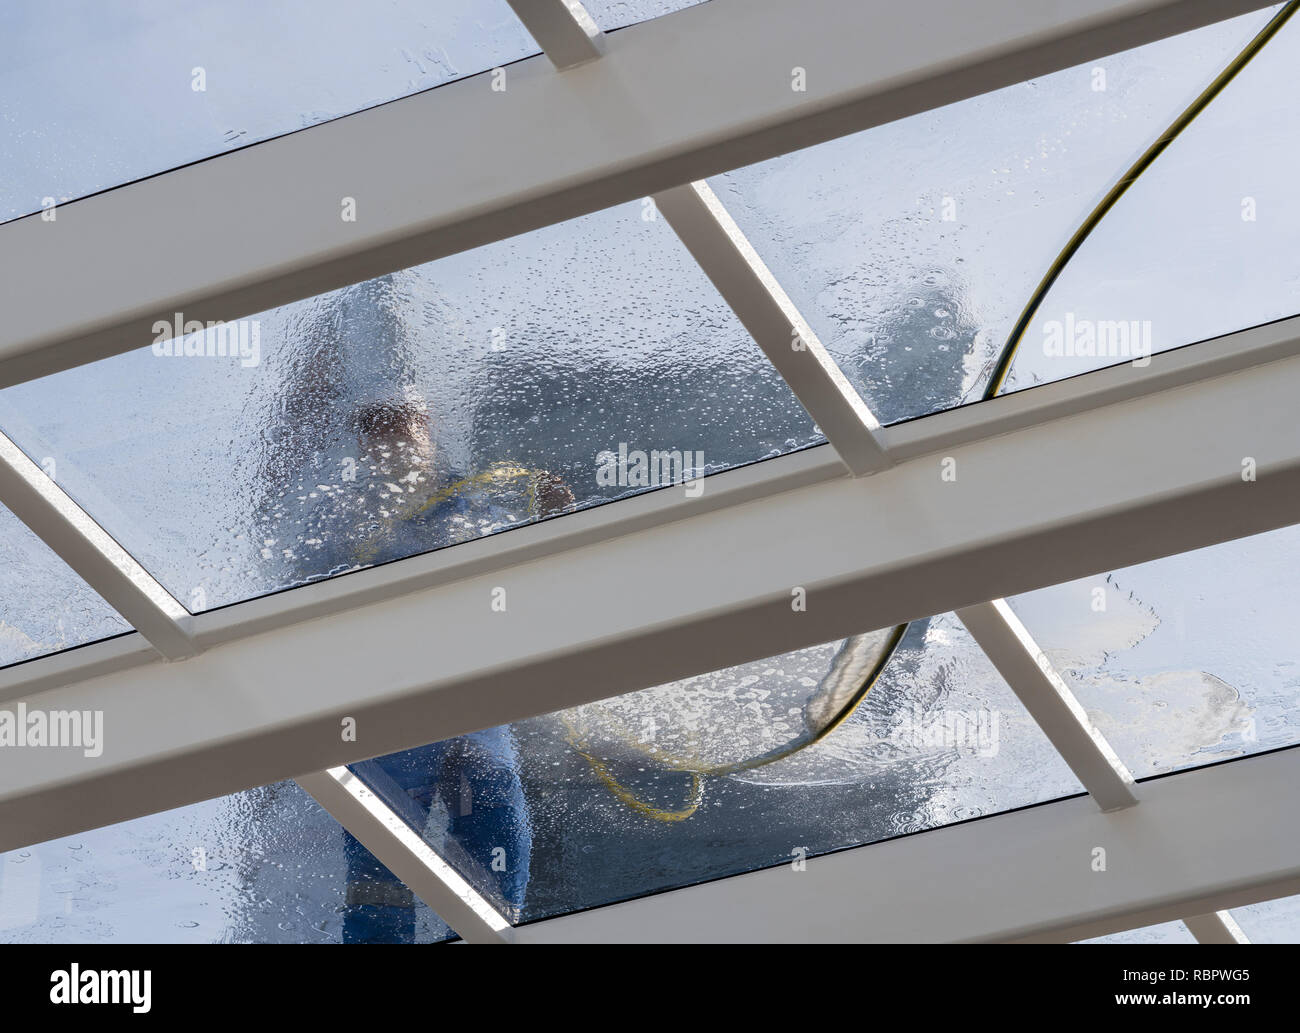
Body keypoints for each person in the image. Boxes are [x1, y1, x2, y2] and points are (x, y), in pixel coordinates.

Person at [266, 274, 573, 940]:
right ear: (362, 437)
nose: (395, 438)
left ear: (428, 430)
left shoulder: (475, 496)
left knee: (498, 857)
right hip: (384, 722)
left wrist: (554, 515)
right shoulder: (336, 516)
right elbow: (294, 596)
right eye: (381, 427)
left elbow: (535, 563)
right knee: (379, 872)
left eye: (407, 424)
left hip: (474, 711)